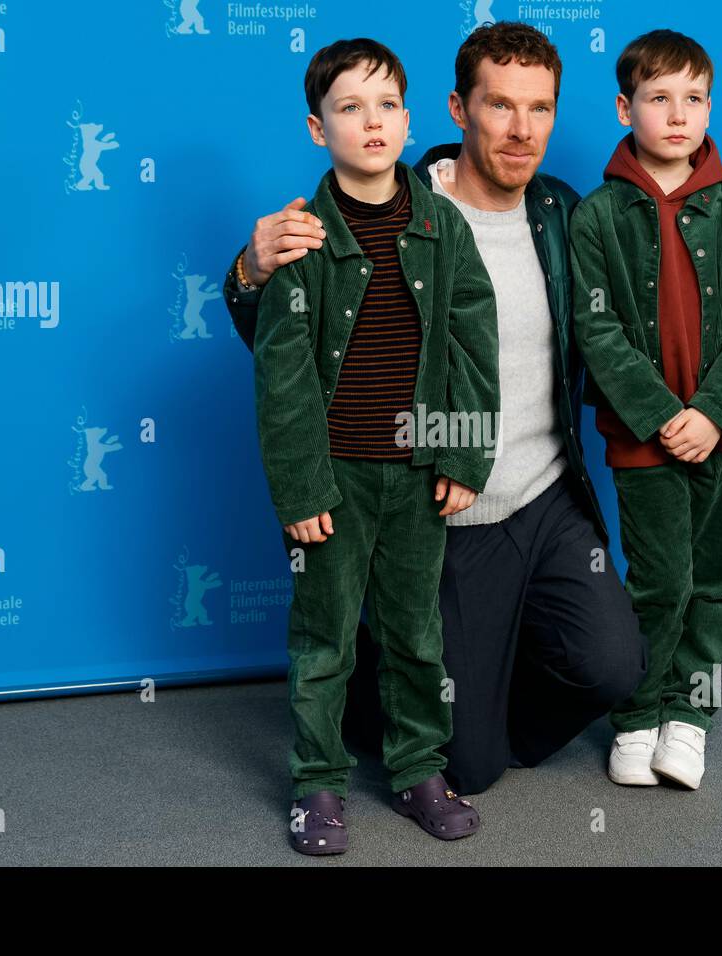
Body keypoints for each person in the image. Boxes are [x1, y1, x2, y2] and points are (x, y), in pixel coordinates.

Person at [228, 22, 722, 796]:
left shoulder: (568, 215)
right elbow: (293, 342)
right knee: (471, 767)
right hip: (448, 513)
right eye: (500, 106)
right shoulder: (395, 207)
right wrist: (249, 270)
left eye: (541, 109)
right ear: (457, 108)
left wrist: (719, 222)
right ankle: (393, 684)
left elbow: (651, 284)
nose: (522, 131)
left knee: (617, 668)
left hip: (548, 505)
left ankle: (478, 675)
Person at [253, 37, 499, 854]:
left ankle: (418, 767)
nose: (373, 122)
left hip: (418, 471)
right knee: (323, 635)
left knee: (415, 634)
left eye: (388, 105)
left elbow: (474, 347)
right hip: (336, 479)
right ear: (318, 129)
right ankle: (318, 781)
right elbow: (283, 377)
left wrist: (463, 455)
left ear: (409, 118)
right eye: (349, 107)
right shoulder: (300, 239)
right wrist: (301, 489)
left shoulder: (442, 227)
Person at [570, 29, 722, 791]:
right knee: (659, 581)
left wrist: (716, 412)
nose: (678, 114)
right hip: (644, 436)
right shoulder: (596, 216)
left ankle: (690, 717)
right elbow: (593, 328)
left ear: (709, 107)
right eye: (659, 99)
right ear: (626, 107)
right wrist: (664, 415)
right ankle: (638, 714)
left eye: (693, 98)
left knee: (717, 577)